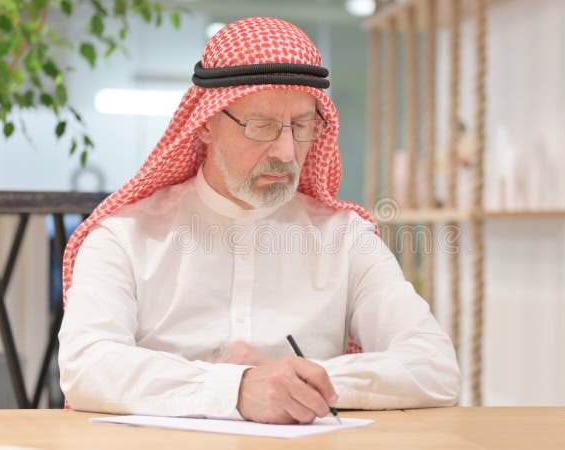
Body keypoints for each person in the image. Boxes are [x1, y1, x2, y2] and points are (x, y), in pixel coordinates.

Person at [58, 17, 460, 425]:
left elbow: (435, 367)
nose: (286, 152)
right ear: (206, 125)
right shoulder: (124, 236)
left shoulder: (346, 239)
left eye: (302, 126)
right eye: (261, 126)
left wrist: (296, 382)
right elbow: (87, 365)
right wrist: (235, 389)